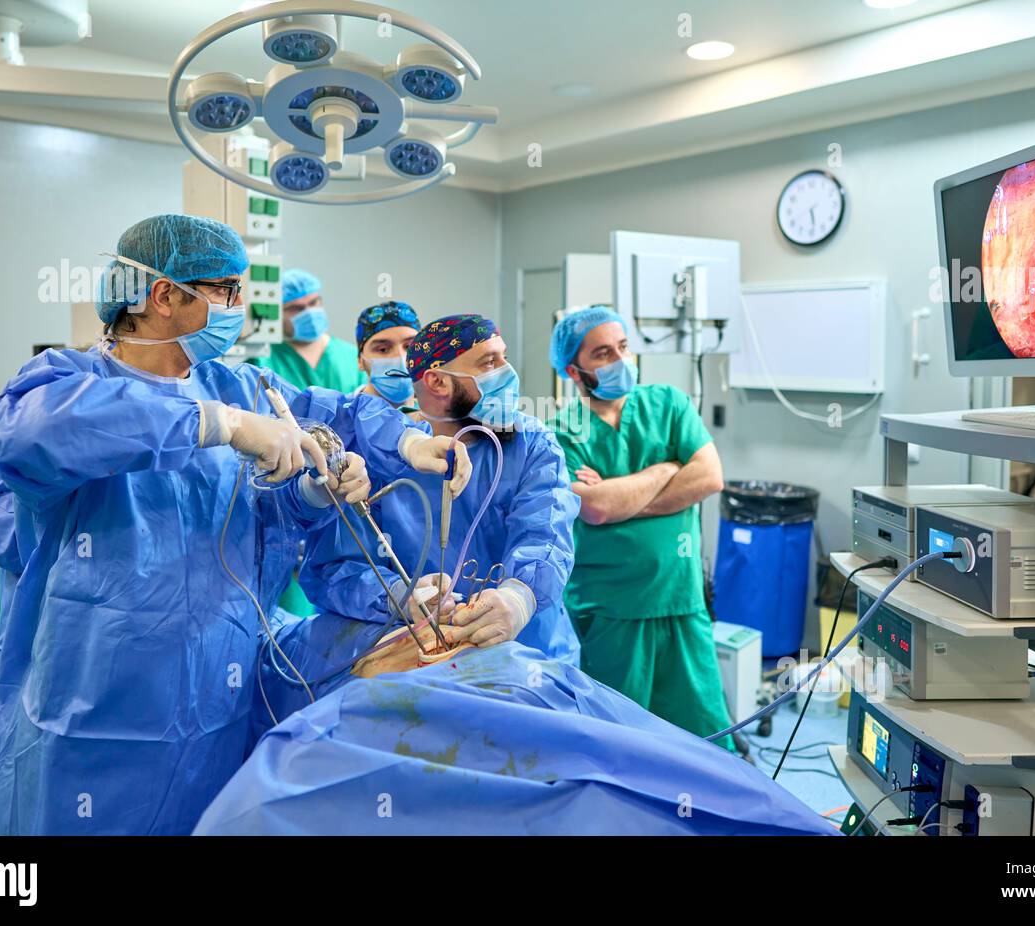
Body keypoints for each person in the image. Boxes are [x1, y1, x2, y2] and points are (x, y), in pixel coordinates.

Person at [0, 214, 471, 835]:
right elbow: (26, 437)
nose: (238, 307)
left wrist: (397, 448)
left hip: (216, 689)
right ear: (164, 294)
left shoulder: (241, 384)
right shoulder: (67, 381)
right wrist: (215, 424)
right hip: (89, 705)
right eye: (226, 289)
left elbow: (335, 424)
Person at [304, 314, 581, 663]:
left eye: (504, 356)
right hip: (419, 659)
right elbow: (334, 567)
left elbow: (545, 534)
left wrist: (518, 598)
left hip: (529, 653)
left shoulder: (532, 445)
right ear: (436, 381)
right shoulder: (380, 457)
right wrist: (397, 596)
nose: (507, 372)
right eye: (489, 363)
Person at [546, 305, 732, 745]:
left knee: (706, 739)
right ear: (575, 370)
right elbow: (593, 509)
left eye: (623, 348)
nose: (619, 360)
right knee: (620, 742)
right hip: (612, 609)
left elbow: (709, 477)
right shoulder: (562, 429)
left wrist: (618, 494)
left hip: (681, 601)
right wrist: (666, 469)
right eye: (603, 354)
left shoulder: (668, 402)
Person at [248, 269, 363, 392]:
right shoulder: (263, 361)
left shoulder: (352, 356)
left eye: (313, 302)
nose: (309, 312)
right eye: (296, 308)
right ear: (278, 314)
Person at [352, 300, 421, 413]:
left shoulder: (439, 422)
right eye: (383, 349)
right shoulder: (338, 418)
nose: (401, 358)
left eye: (409, 347)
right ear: (360, 360)